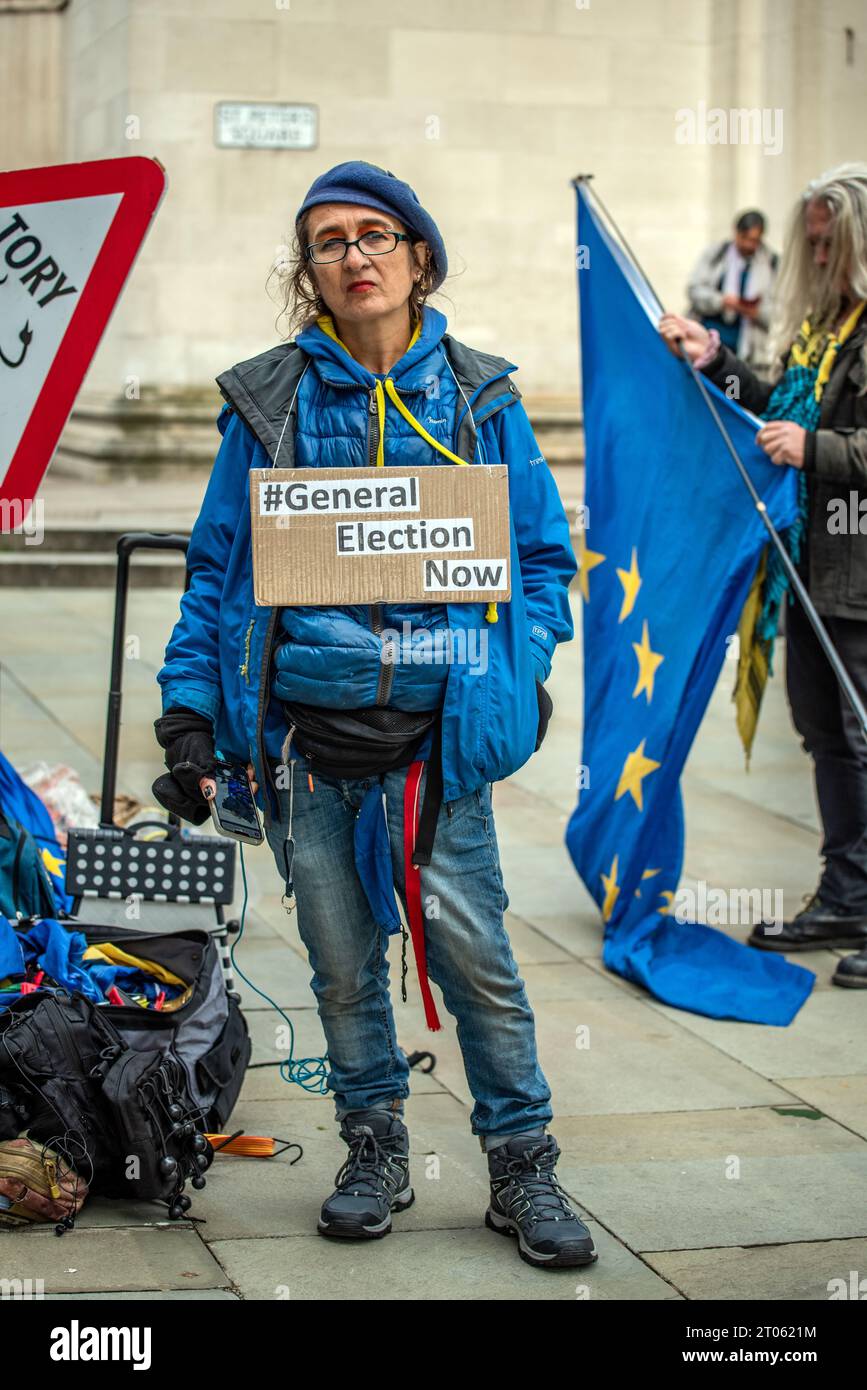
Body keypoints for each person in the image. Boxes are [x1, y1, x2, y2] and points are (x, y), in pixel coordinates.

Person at [151, 161, 598, 1267]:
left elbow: (544, 563)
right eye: (329, 242)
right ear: (308, 271)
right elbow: (218, 571)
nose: (354, 256)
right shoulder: (272, 402)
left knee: (478, 966)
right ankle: (373, 1146)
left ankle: (523, 1168)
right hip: (309, 753)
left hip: (438, 756)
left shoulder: (484, 398)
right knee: (342, 970)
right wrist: (190, 714)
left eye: (375, 236)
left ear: (419, 257)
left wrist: (515, 663)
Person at [659, 163, 867, 988]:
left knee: (854, 736)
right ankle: (848, 894)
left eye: (827, 241)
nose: (813, 255)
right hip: (810, 568)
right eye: (807, 241)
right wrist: (714, 358)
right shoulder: (826, 327)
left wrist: (811, 450)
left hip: (856, 568)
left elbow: (806, 438)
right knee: (827, 738)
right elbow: (778, 406)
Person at [686, 209, 778, 375]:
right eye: (746, 239)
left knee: (732, 392)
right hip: (706, 345)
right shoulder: (716, 256)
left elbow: (779, 314)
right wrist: (721, 301)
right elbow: (694, 290)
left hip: (743, 353)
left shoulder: (771, 264)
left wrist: (755, 312)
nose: (749, 245)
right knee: (701, 390)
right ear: (736, 233)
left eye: (755, 240)